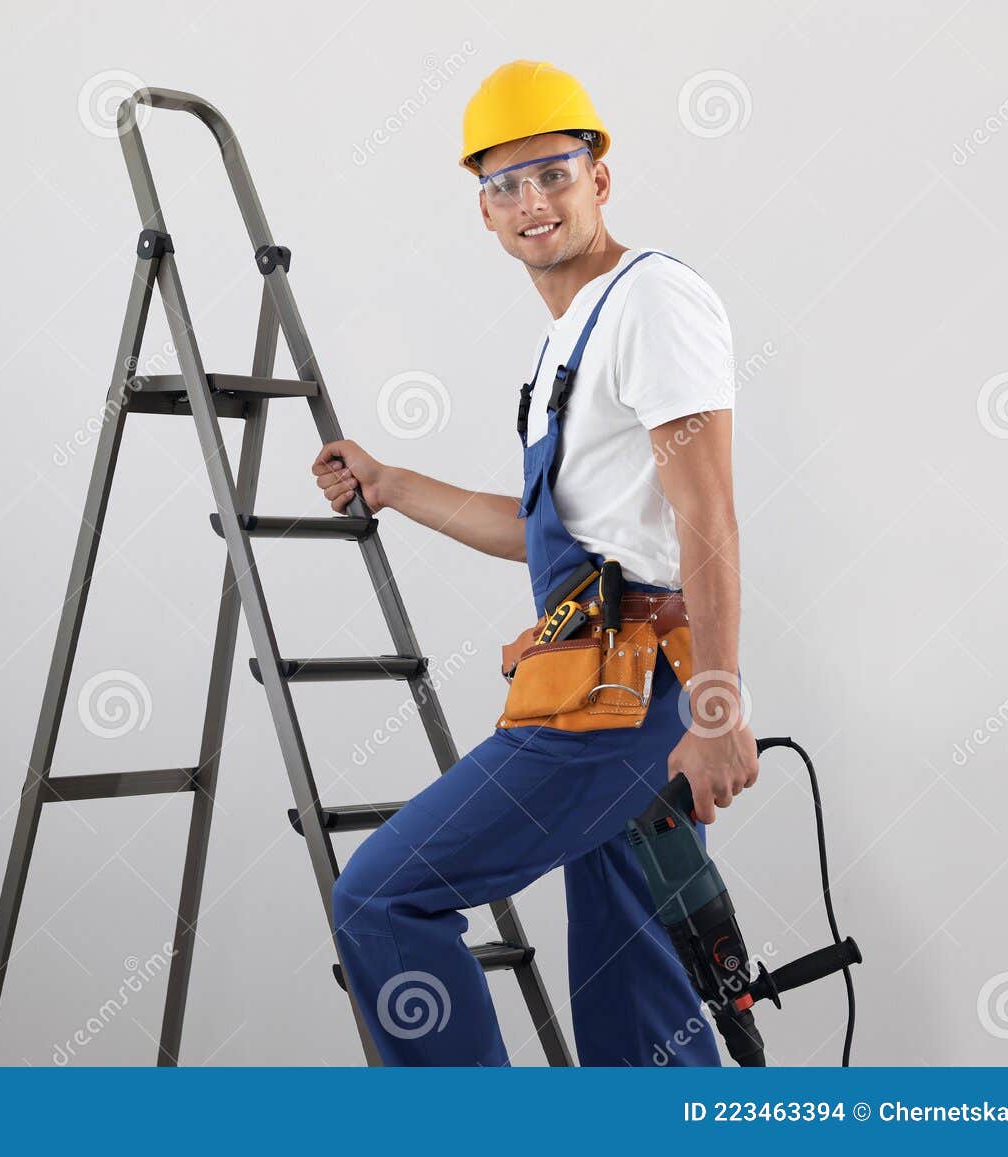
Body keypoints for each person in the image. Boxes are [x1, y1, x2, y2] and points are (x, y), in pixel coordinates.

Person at [312, 60, 758, 1066]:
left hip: (635, 693)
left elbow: (710, 517)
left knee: (383, 894)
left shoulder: (651, 301)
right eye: (503, 185)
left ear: (600, 176)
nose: (530, 202)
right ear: (482, 211)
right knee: (635, 1001)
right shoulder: (568, 336)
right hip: (589, 677)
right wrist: (391, 481)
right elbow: (551, 529)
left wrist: (719, 707)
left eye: (551, 172)